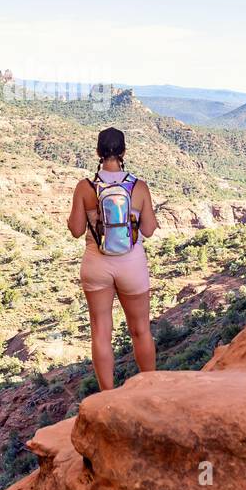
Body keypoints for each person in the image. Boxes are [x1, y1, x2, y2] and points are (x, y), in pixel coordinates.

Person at [67, 127, 159, 390]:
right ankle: (149, 389)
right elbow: (149, 230)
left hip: (96, 265)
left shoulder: (85, 187)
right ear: (123, 152)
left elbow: (75, 231)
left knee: (101, 332)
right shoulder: (138, 187)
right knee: (140, 330)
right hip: (131, 265)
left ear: (98, 152)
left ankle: (108, 397)